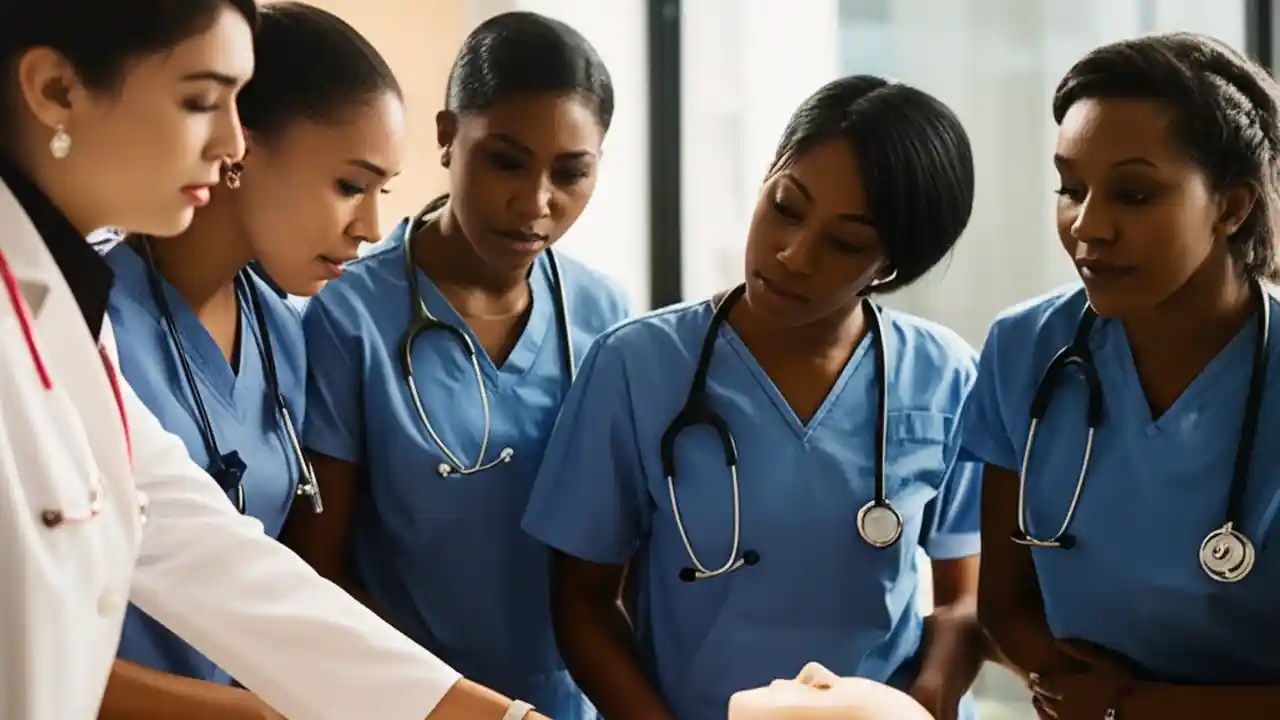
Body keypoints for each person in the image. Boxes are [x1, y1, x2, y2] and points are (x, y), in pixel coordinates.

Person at [0, 2, 546, 719]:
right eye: (201, 100)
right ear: (56, 90)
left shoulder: (65, 308)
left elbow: (211, 554)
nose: (233, 142)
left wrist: (501, 717)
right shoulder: (88, 308)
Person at [521, 75, 986, 720]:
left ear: (890, 265)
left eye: (845, 242)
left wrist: (922, 705)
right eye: (787, 206)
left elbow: (965, 600)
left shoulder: (944, 376)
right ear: (768, 177)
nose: (793, 254)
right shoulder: (637, 366)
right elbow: (584, 603)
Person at [290, 11, 628, 720]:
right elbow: (318, 568)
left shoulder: (605, 314)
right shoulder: (347, 314)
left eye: (571, 173)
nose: (535, 203)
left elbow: (619, 554)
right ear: (448, 137)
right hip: (412, 704)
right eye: (506, 161)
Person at [98, 4, 405, 718]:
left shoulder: (283, 331)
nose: (370, 228)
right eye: (349, 186)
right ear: (240, 146)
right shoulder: (89, 320)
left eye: (381, 192)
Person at [963, 32, 1280, 719]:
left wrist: (1132, 709)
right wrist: (1066, 685)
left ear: (1232, 207)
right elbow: (1005, 606)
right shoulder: (1025, 349)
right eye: (1070, 189)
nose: (1087, 226)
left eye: (1133, 194)